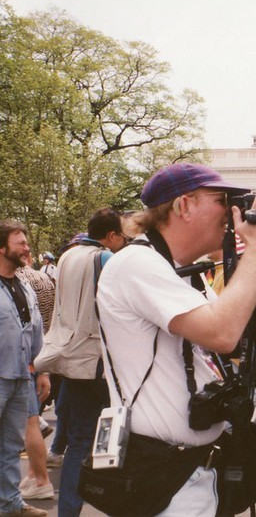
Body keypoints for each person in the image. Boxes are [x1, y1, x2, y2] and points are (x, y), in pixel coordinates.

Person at [96, 163, 256, 515]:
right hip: (164, 477)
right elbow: (222, 334)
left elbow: (236, 333)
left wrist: (255, 265)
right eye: (222, 200)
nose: (233, 212)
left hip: (189, 470)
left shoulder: (180, 272)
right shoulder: (136, 263)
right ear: (183, 205)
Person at [35, 208, 130, 516]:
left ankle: (69, 511)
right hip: (96, 363)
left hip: (69, 357)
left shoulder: (67, 256)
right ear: (112, 235)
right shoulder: (104, 259)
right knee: (111, 440)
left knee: (77, 440)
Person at [0, 220, 48, 517]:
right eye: (20, 243)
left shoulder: (24, 285)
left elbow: (36, 329)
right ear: (2, 248)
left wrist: (41, 370)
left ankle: (9, 503)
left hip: (21, 377)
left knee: (11, 444)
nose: (27, 248)